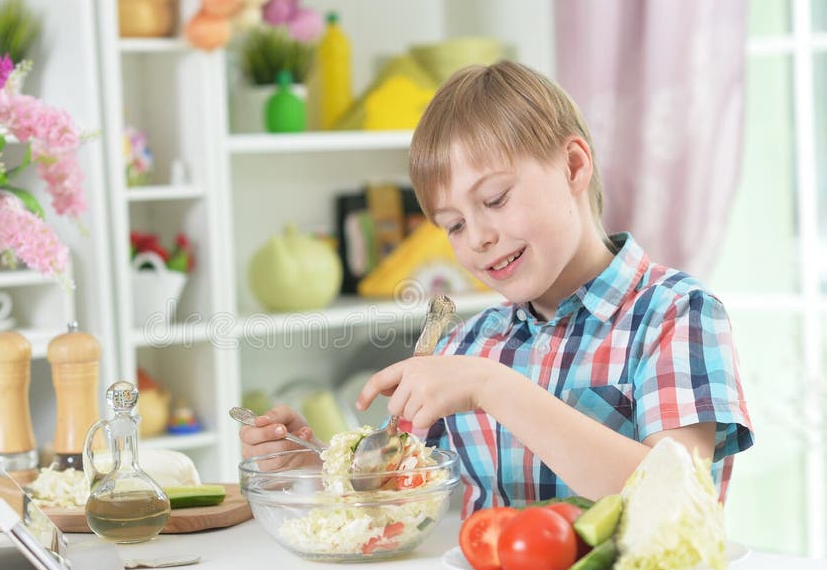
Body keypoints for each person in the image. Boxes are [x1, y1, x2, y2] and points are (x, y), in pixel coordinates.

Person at [239, 61, 754, 513]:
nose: (479, 238)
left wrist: (495, 388)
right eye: (455, 225)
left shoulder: (676, 315)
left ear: (573, 166)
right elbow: (393, 494)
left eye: (495, 199)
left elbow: (674, 498)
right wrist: (304, 467)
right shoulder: (468, 346)